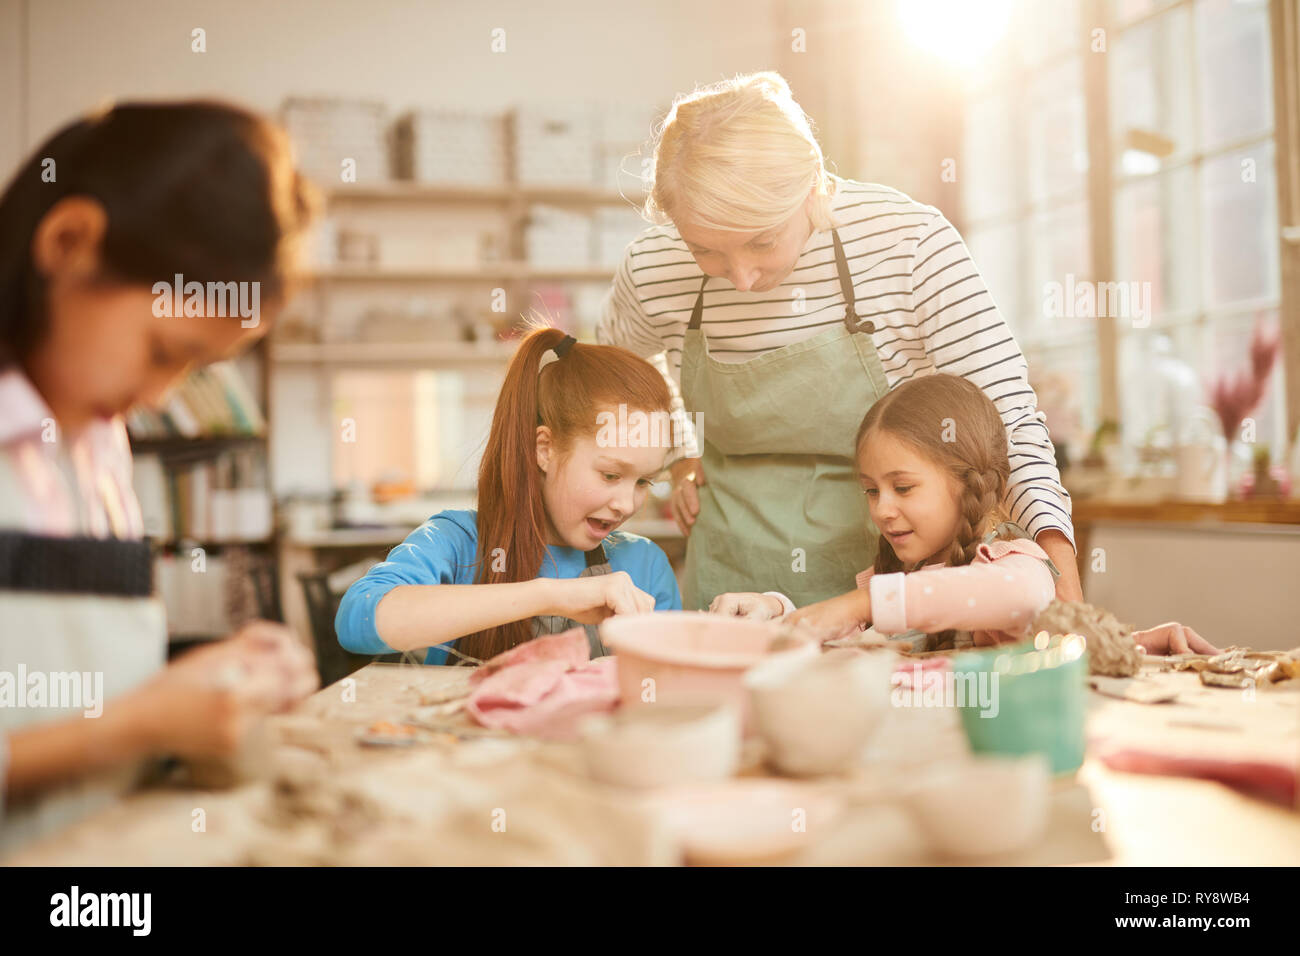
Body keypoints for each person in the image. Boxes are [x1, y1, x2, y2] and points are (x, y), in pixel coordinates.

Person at [597, 71, 1083, 613]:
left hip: (901, 587)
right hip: (733, 587)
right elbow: (616, 375)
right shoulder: (655, 266)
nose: (742, 278)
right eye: (706, 251)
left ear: (812, 188)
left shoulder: (909, 243)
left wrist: (1058, 574)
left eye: (762, 240)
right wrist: (680, 451)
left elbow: (1008, 422)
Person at [0, 101, 320, 854]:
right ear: (69, 242)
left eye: (194, 369)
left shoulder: (98, 445)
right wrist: (140, 726)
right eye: (160, 350)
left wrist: (201, 684)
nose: (156, 399)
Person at [712, 374, 1217, 656]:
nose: (883, 510)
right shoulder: (907, 575)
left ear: (967, 480)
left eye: (903, 487)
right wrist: (776, 612)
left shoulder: (1013, 560)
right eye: (871, 491)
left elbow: (1021, 595)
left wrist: (859, 604)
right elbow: (845, 643)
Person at [336, 326, 682, 664]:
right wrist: (549, 595)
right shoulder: (459, 543)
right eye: (610, 475)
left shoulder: (645, 565)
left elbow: (668, 687)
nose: (626, 504)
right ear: (544, 448)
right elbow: (357, 621)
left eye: (644, 482)